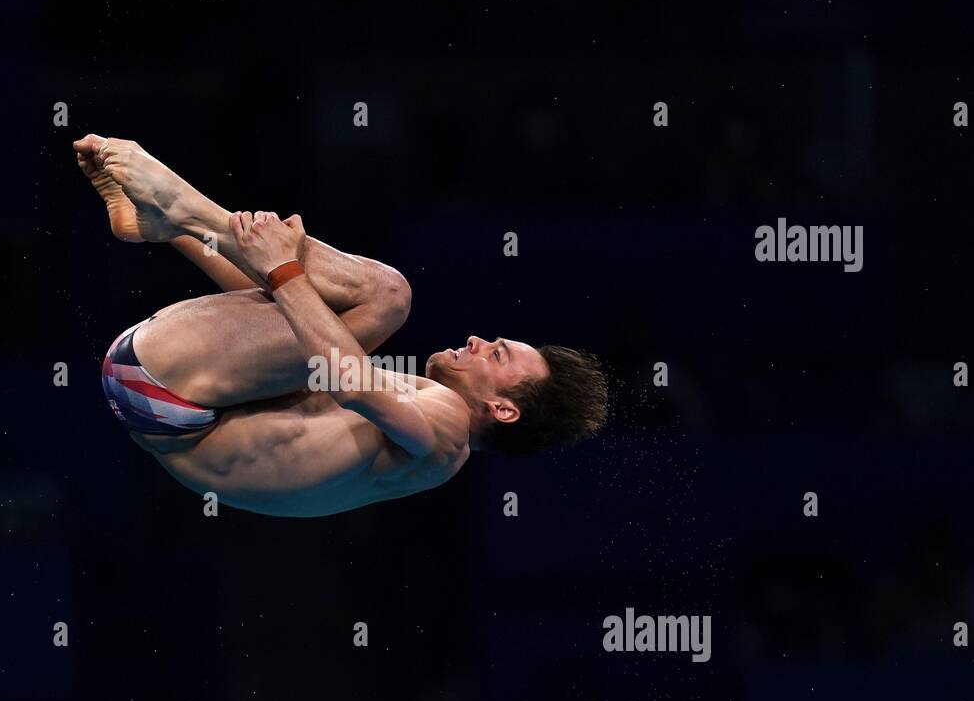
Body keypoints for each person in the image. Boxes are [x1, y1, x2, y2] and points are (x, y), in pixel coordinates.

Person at [76, 134, 606, 517]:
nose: (477, 340)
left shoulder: (446, 436)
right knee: (318, 312)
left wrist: (283, 266)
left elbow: (347, 382)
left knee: (388, 296)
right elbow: (269, 323)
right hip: (161, 399)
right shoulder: (419, 416)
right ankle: (173, 222)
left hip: (170, 395)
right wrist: (187, 241)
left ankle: (185, 208)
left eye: (495, 355)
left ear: (503, 409)